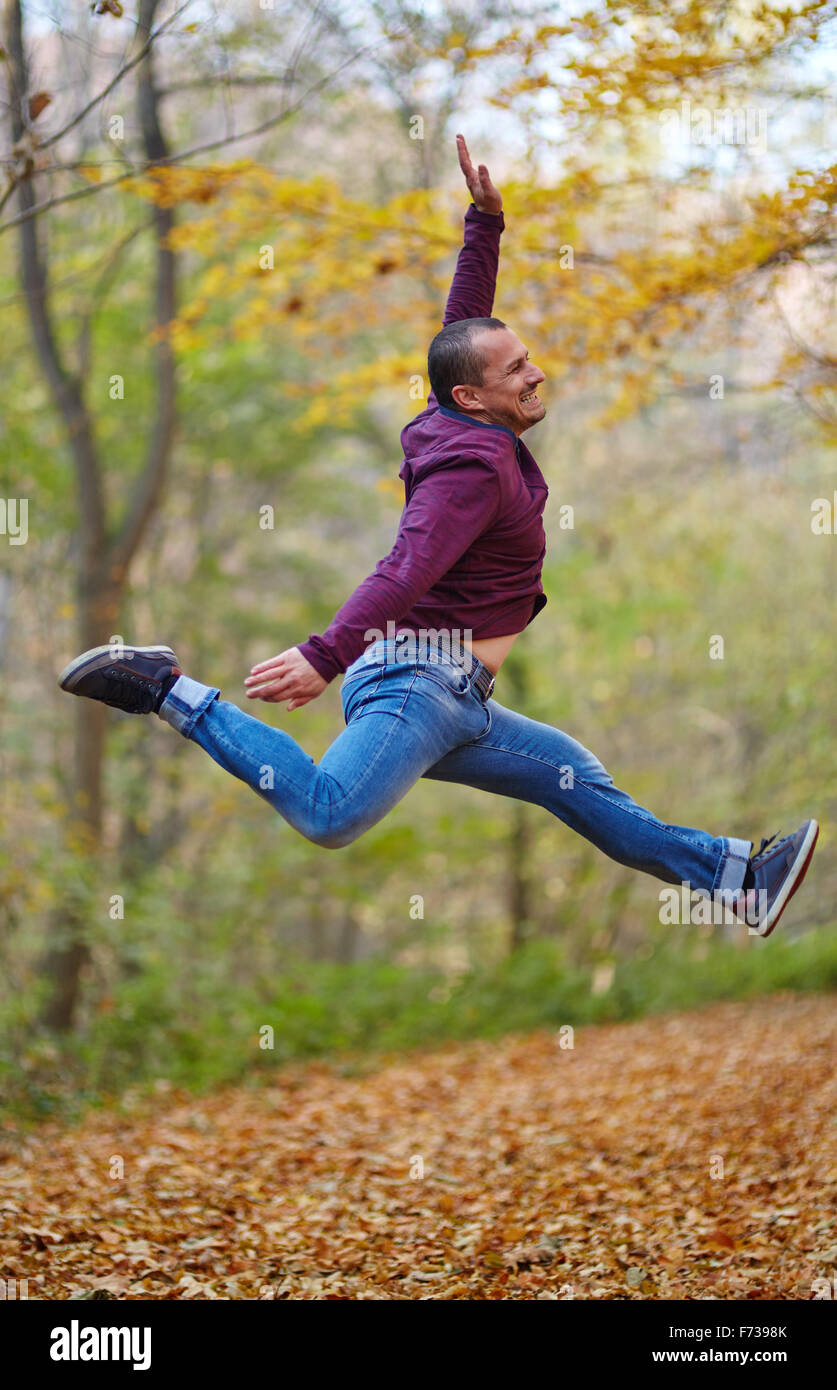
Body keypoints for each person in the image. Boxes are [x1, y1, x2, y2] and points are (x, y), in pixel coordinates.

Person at [58, 136, 818, 938]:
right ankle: (169, 689)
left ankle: (738, 876)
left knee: (572, 783)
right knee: (327, 814)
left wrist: (483, 227)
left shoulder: (450, 411)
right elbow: (406, 568)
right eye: (516, 371)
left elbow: (463, 327)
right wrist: (324, 654)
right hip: (418, 684)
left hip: (458, 697)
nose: (535, 374)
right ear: (472, 396)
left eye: (527, 359)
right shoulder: (469, 470)